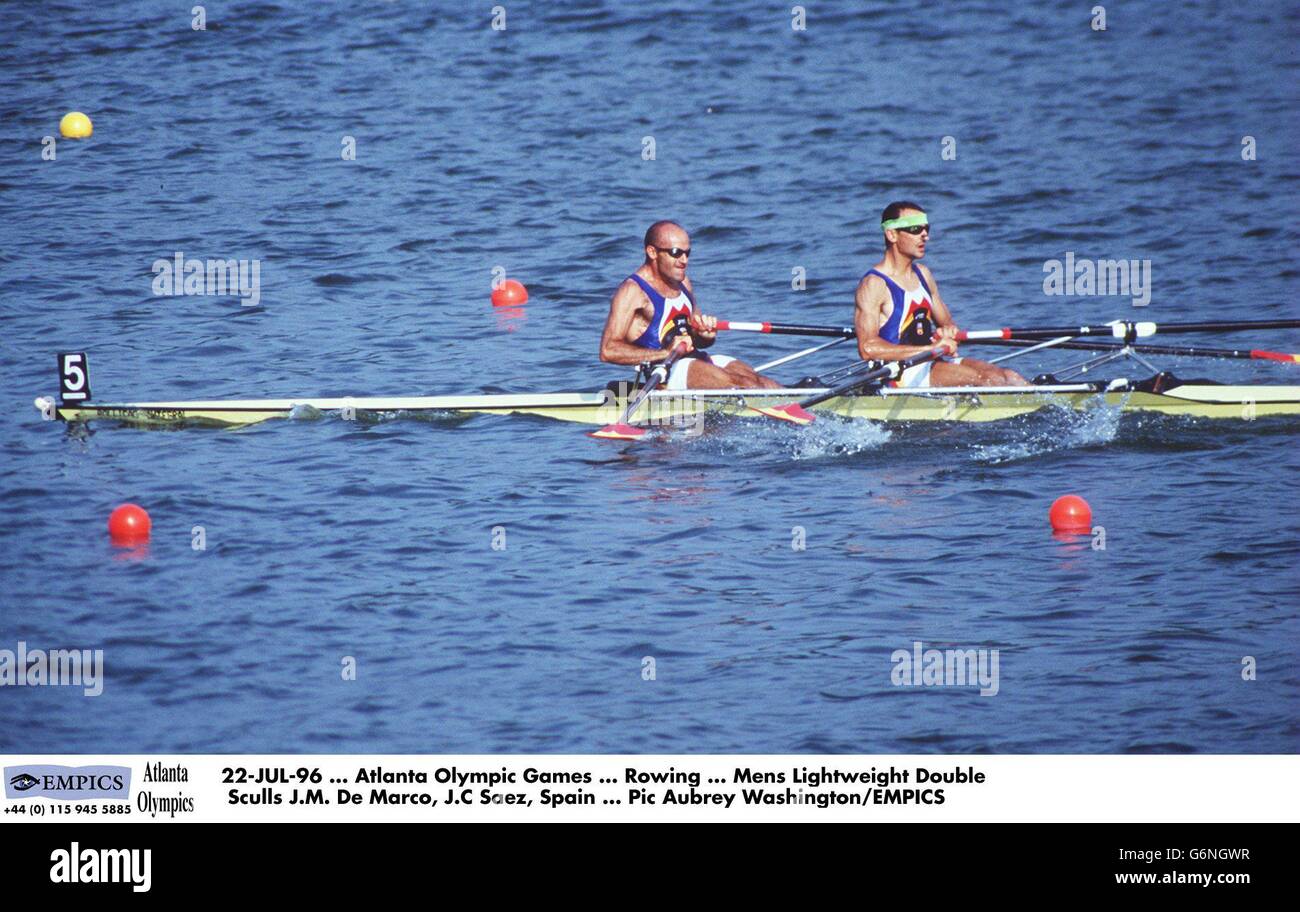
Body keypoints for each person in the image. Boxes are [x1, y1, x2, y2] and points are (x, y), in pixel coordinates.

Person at [855, 202, 1026, 387]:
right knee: (987, 381)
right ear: (892, 234)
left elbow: (948, 324)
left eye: (926, 228)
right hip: (898, 374)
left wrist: (948, 331)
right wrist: (931, 348)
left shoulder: (923, 275)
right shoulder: (874, 284)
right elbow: (868, 348)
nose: (925, 235)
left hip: (930, 363)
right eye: (915, 229)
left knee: (1009, 376)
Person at [599, 221, 780, 389]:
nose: (684, 260)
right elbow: (608, 350)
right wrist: (664, 353)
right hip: (666, 374)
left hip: (697, 361)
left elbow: (697, 340)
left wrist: (705, 335)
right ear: (652, 252)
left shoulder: (683, 282)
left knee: (762, 383)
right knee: (744, 385)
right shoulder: (633, 291)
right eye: (676, 253)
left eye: (687, 253)